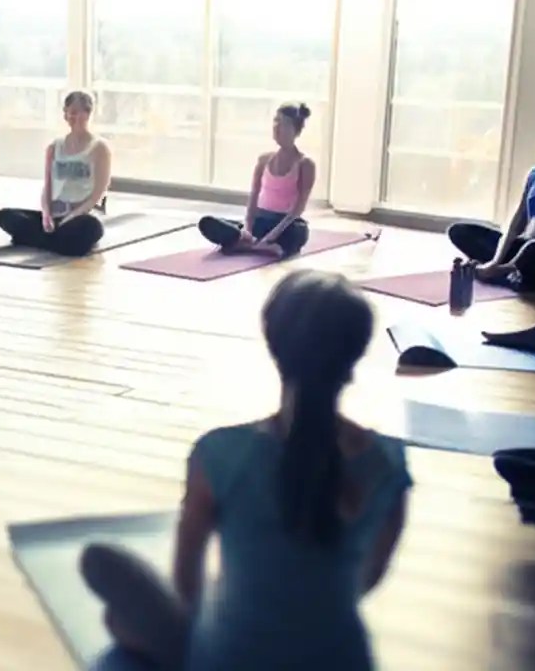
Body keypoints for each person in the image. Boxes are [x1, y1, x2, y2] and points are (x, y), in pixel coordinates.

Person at [80, 270, 411, 671]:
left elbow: (189, 584)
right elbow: (367, 578)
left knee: (115, 618)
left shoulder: (219, 453)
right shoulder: (390, 463)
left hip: (227, 657)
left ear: (274, 346)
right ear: (355, 356)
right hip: (345, 659)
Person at [448, 116, 535, 291]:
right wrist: (496, 260)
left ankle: (506, 272)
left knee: (533, 250)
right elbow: (516, 225)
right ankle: (508, 272)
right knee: (460, 231)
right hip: (523, 247)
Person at [0, 91, 109, 257]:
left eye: (76, 112)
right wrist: (46, 216)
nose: (71, 117)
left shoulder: (99, 147)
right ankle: (54, 242)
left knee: (91, 228)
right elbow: (47, 187)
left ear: (87, 113)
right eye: (68, 112)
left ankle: (38, 240)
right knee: (5, 216)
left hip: (80, 216)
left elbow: (98, 193)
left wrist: (72, 216)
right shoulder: (54, 146)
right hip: (55, 215)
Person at [197, 104, 316, 257]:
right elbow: (254, 197)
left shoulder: (305, 164)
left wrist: (272, 236)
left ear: (296, 131)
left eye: (284, 123)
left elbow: (298, 209)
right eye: (276, 121)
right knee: (207, 223)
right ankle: (255, 244)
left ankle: (246, 244)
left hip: (285, 225)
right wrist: (247, 229)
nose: (277, 127)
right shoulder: (264, 160)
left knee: (297, 234)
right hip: (260, 221)